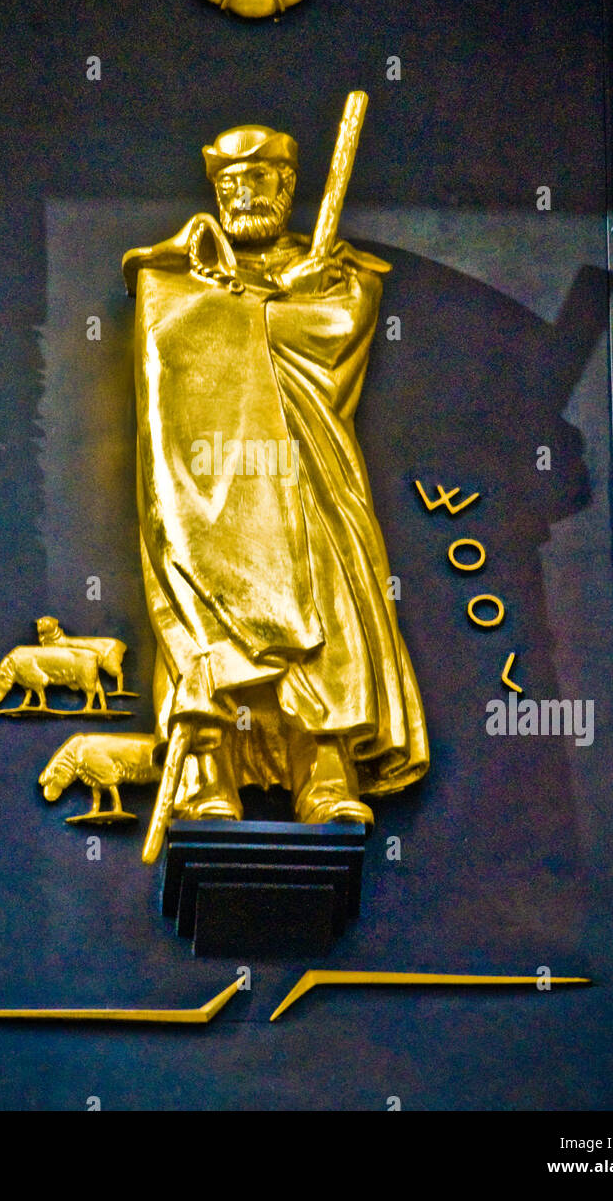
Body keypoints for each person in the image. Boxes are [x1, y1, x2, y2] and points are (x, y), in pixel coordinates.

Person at [122, 123, 428, 826]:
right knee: (204, 612)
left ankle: (323, 772)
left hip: (304, 475)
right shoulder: (171, 273)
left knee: (323, 608)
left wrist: (300, 297)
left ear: (288, 187)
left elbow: (334, 331)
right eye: (229, 183)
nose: (241, 195)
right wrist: (272, 306)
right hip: (202, 482)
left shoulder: (336, 272)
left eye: (258, 179)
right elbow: (168, 348)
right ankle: (207, 777)